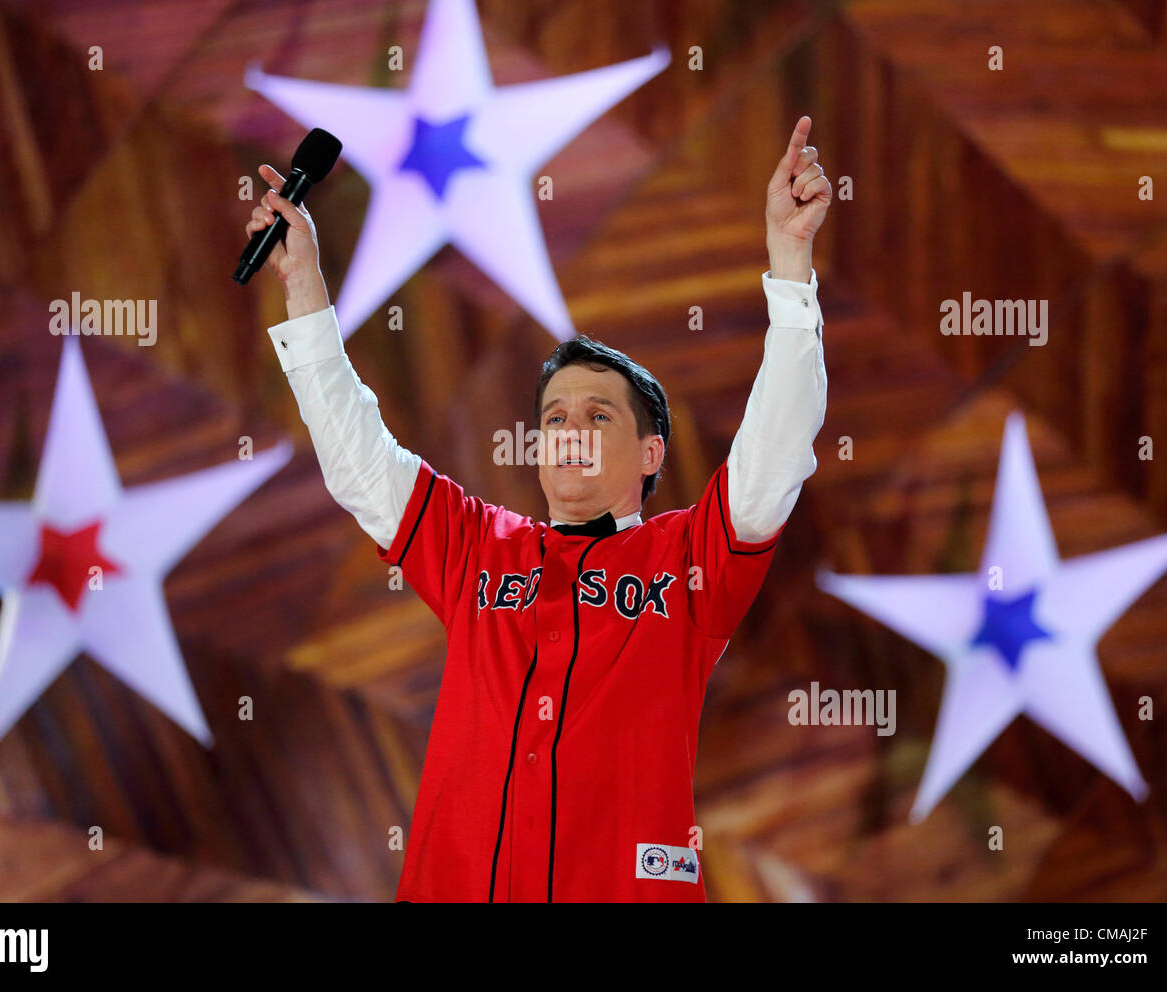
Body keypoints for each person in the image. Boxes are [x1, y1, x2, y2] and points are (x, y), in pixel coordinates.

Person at [247, 116, 832, 902]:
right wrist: (304, 286)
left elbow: (774, 450)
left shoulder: (691, 561)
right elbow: (358, 458)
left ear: (650, 454)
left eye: (599, 416)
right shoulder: (475, 546)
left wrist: (791, 267)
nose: (569, 432)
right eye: (554, 417)